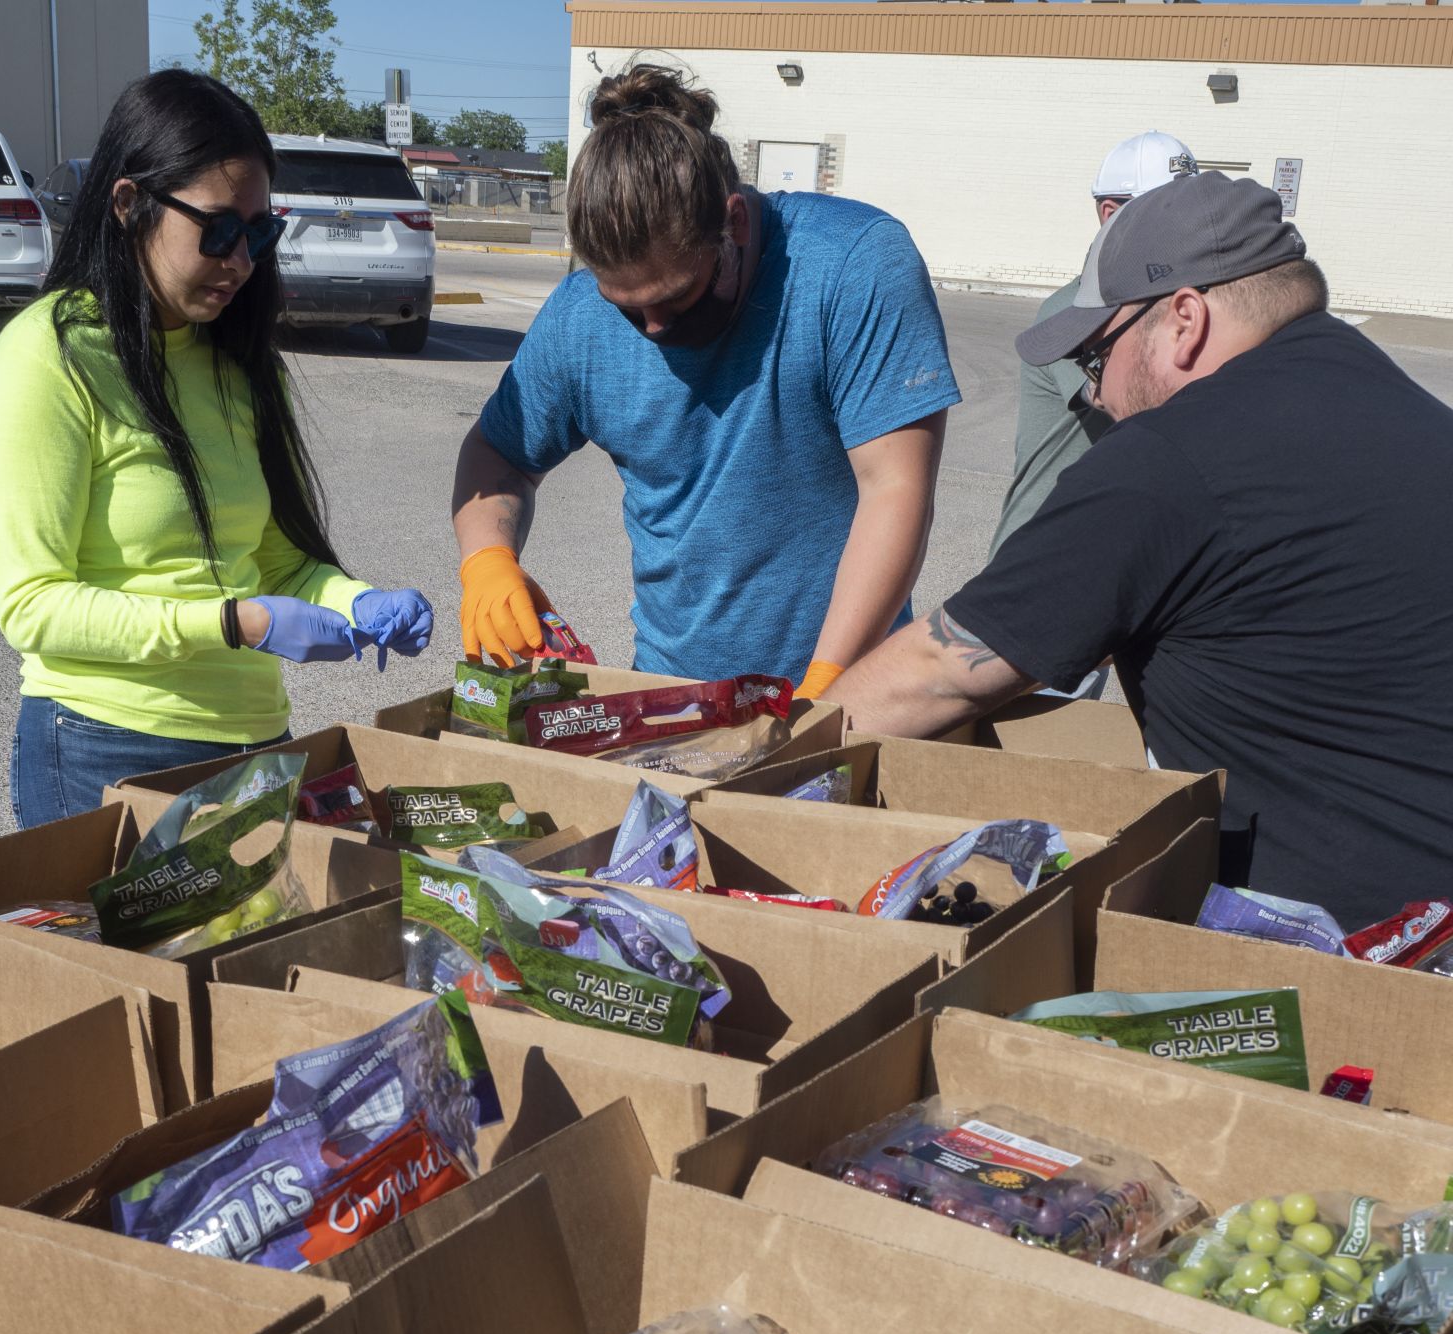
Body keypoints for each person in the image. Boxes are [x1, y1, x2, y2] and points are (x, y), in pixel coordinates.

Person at [821, 174, 1453, 930]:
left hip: (1346, 957)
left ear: (1183, 319)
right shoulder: (1409, 411)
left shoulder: (1175, 457)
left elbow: (936, 676)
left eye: (1097, 357)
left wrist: (779, 755)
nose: (1094, 395)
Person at [0, 68, 434, 828]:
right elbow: (35, 608)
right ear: (129, 204)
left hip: (252, 747)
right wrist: (235, 623)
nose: (242, 261)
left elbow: (280, 561)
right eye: (218, 229)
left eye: (259, 233)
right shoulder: (47, 360)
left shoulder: (235, 360)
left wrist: (360, 601)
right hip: (105, 747)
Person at [452, 63, 958, 698]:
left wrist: (823, 687)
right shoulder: (580, 315)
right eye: (627, 308)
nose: (654, 328)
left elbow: (895, 488)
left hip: (848, 693)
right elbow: (499, 456)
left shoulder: (854, 265)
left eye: (676, 296)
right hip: (673, 701)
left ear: (734, 223)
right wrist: (487, 559)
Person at [992, 128, 1196, 701]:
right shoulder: (1075, 311)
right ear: (1110, 213)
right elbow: (1152, 410)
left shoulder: (1165, 310)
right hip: (1044, 570)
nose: (1188, 226)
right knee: (1023, 754)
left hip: (1111, 563)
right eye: (1167, 209)